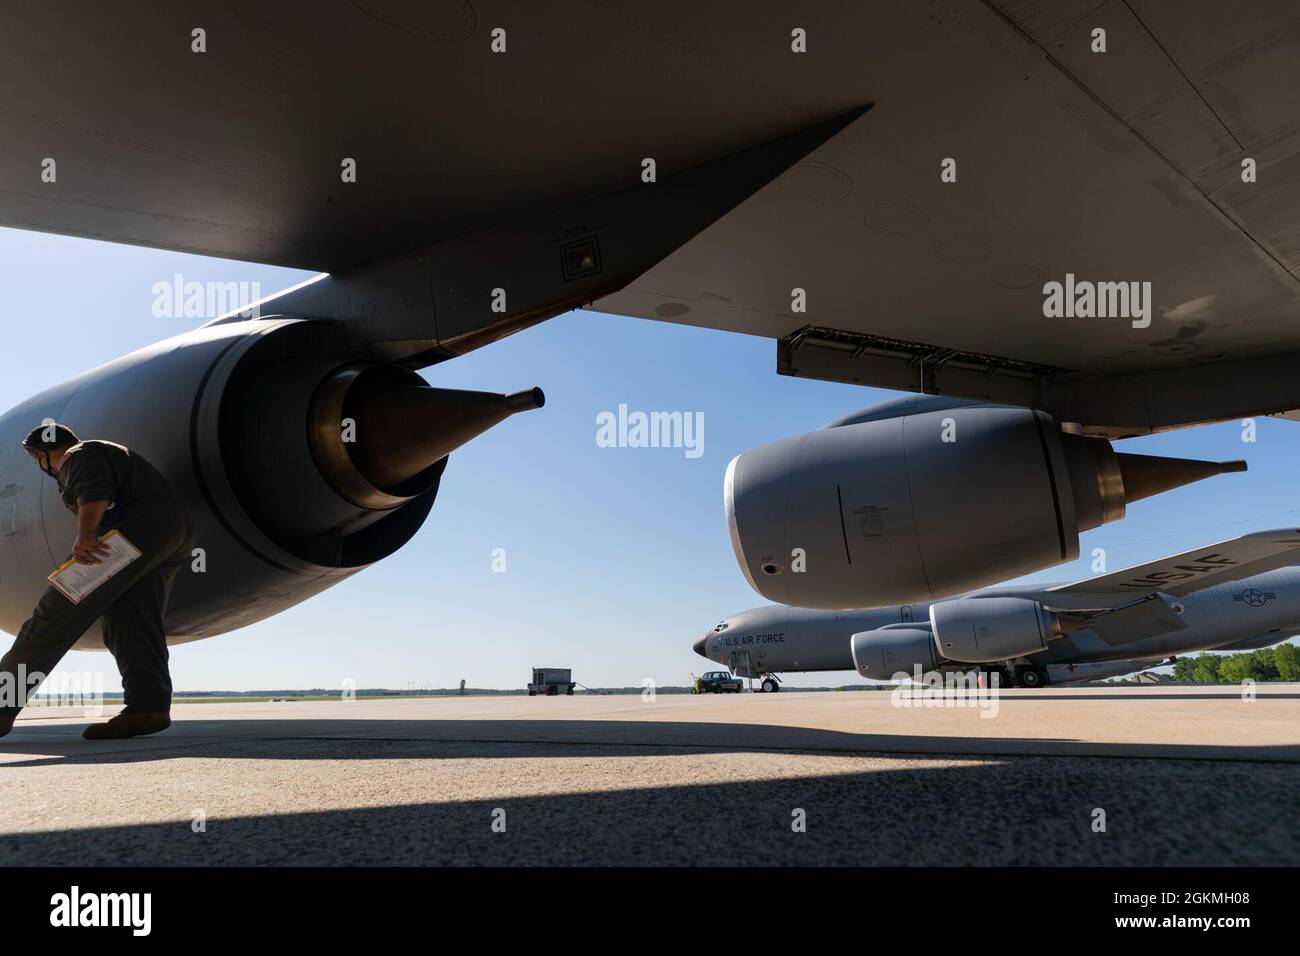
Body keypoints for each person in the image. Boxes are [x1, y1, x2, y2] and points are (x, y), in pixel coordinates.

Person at [0, 423, 194, 739]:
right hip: (170, 533)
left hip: (125, 536)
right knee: (131, 620)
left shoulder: (79, 454)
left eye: (37, 461)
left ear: (41, 455)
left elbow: (94, 489)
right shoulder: (102, 451)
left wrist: (86, 537)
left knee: (54, 616)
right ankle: (148, 708)